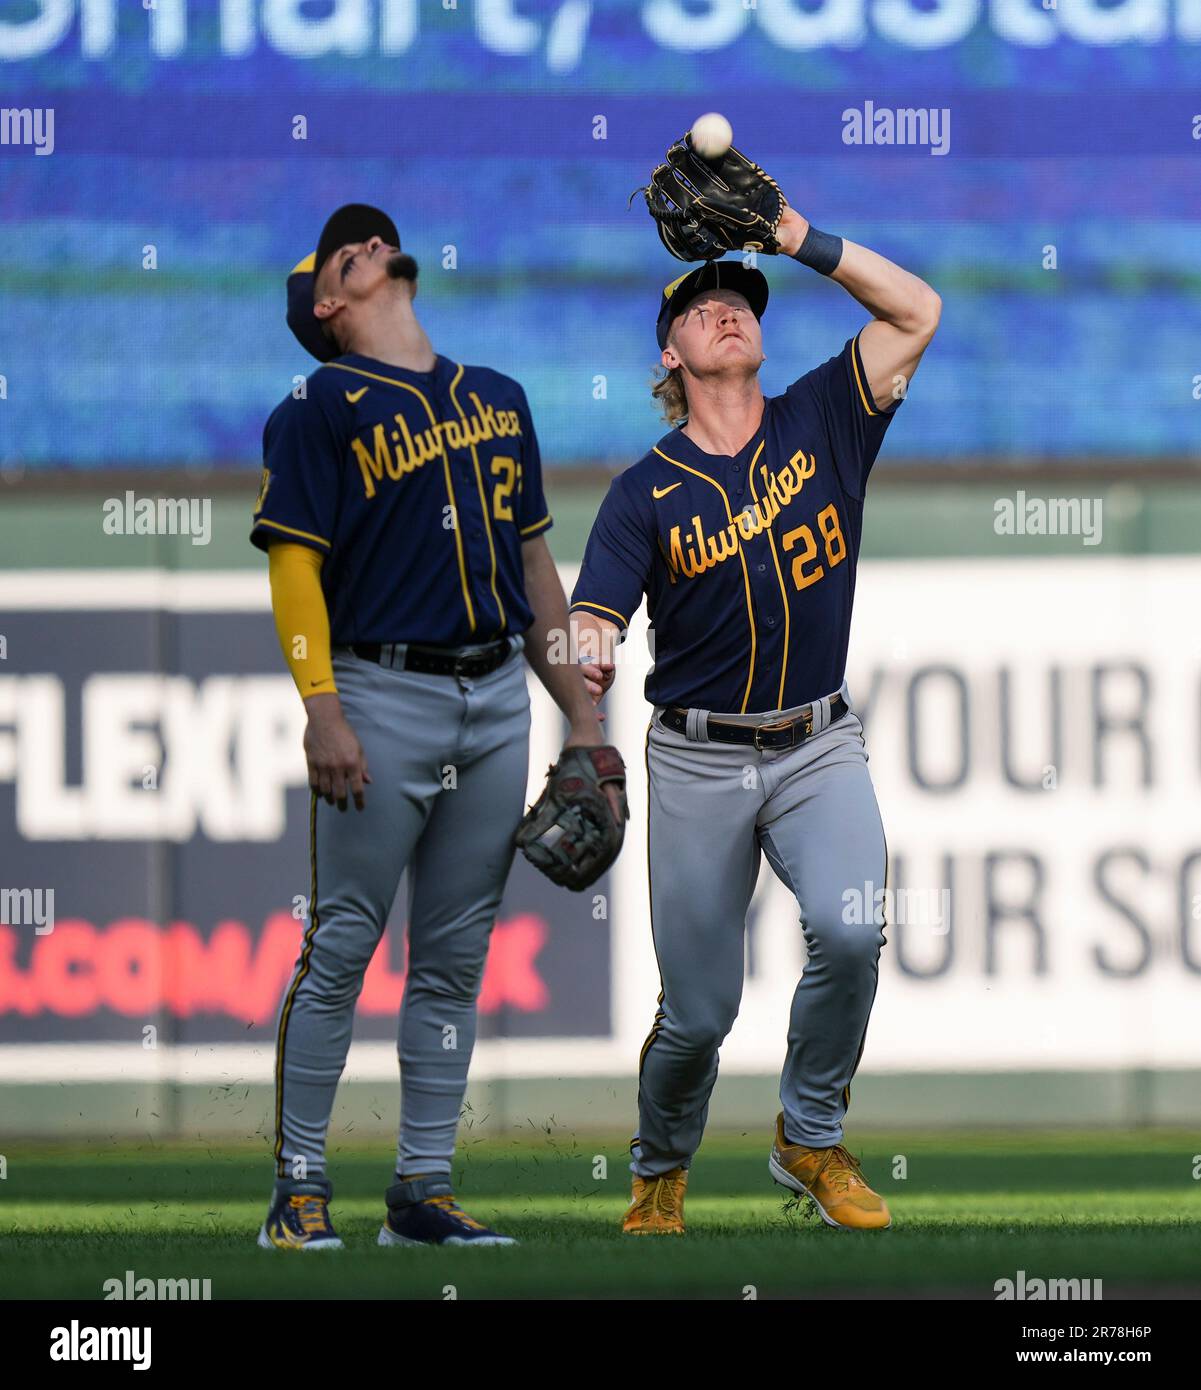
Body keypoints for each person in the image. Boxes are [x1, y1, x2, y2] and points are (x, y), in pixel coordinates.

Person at [569, 204, 940, 1234]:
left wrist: (793, 234)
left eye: (737, 298)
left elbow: (917, 309)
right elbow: (590, 621)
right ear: (671, 352)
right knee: (697, 1016)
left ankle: (808, 1137)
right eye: (699, 305)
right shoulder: (643, 492)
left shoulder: (825, 414)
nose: (724, 308)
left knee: (852, 927)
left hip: (818, 739)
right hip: (696, 760)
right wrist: (584, 683)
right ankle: (658, 1168)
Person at [251, 203, 616, 1249]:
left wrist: (584, 724)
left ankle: (421, 1188)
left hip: (497, 691)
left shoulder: (497, 398)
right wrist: (321, 707)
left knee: (454, 959)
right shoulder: (321, 402)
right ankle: (299, 1186)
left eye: (372, 235)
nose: (368, 240)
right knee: (344, 946)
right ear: (327, 303)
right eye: (343, 248)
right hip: (380, 690)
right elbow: (294, 565)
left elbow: (538, 573)